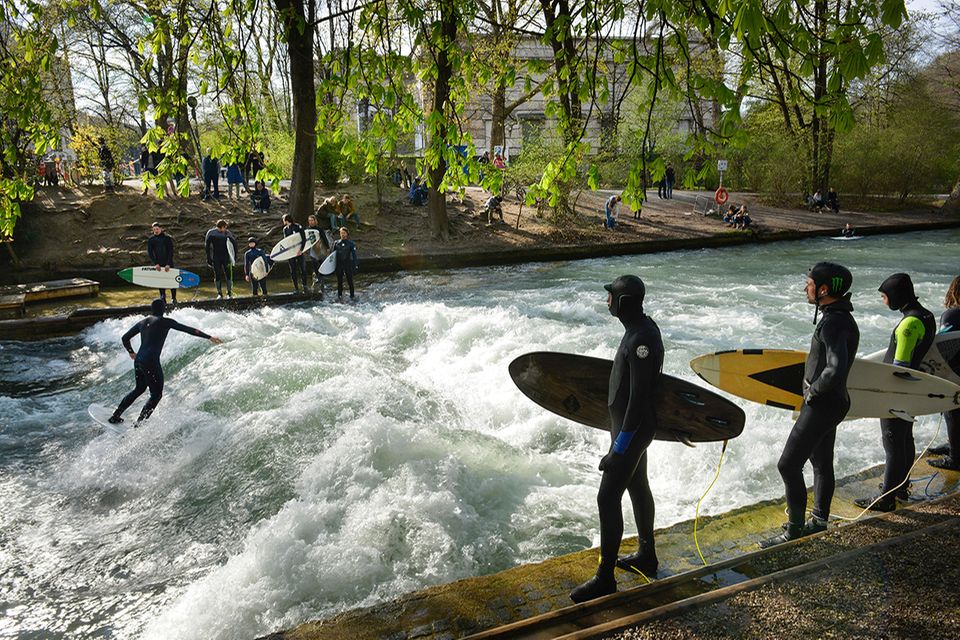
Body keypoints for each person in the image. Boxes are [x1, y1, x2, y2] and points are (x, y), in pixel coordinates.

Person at [569, 275, 662, 603]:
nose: (606, 301)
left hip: (631, 432)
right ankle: (647, 556)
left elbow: (637, 400)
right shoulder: (639, 330)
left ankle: (604, 577)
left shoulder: (642, 339)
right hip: (629, 429)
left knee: (607, 498)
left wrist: (618, 448)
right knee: (638, 487)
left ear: (623, 303)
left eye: (610, 297)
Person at [759, 263, 859, 547]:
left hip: (823, 404)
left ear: (824, 290)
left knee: (788, 465)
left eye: (810, 283)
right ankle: (819, 521)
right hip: (835, 402)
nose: (806, 287)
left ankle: (794, 530)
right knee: (821, 462)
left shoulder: (833, 322)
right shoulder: (839, 317)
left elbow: (835, 369)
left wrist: (812, 392)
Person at [855, 273, 937, 511]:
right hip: (912, 391)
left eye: (884, 296)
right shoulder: (927, 315)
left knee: (892, 443)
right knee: (904, 439)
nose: (883, 301)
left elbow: (900, 366)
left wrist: (882, 393)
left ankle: (886, 499)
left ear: (896, 296)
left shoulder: (909, 324)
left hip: (897, 391)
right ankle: (901, 487)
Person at [107, 298, 222, 426]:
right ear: (163, 309)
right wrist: (209, 337)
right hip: (150, 362)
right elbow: (188, 329)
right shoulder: (166, 322)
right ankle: (138, 426)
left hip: (139, 360)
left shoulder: (143, 322)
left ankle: (115, 415)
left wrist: (131, 352)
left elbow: (125, 338)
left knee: (139, 389)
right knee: (156, 395)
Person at [928, 276, 960, 470]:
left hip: (955, 371)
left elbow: (941, 346)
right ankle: (954, 445)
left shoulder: (952, 315)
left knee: (952, 411)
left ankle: (955, 458)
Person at [204, 219, 238, 299]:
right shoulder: (211, 233)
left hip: (226, 257)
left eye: (225, 228)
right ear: (219, 227)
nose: (224, 229)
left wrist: (234, 258)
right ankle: (219, 293)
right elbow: (207, 246)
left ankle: (229, 293)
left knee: (228, 274)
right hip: (216, 257)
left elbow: (234, 246)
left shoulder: (227, 233)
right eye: (223, 228)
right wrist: (208, 257)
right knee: (217, 274)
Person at [147, 222, 177, 304]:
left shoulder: (167, 238)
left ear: (161, 229)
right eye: (154, 230)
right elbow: (150, 253)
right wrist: (156, 264)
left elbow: (171, 251)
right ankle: (163, 298)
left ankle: (174, 298)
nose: (156, 231)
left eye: (157, 229)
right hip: (158, 264)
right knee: (160, 281)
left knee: (172, 281)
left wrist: (168, 264)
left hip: (168, 263)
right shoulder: (151, 240)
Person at [282, 214, 309, 293]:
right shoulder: (285, 229)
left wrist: (301, 250)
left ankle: (305, 286)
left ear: (286, 220)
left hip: (299, 252)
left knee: (303, 269)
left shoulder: (297, 226)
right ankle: (296, 288)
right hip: (291, 253)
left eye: (283, 220)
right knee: (293, 270)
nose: (283, 221)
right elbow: (286, 241)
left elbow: (303, 239)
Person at [333, 226, 358, 301]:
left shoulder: (351, 244)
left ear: (347, 234)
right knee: (339, 282)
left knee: (350, 280)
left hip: (347, 264)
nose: (342, 234)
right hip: (339, 265)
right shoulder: (336, 243)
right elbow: (332, 256)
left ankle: (352, 296)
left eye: (344, 233)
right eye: (341, 233)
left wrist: (355, 265)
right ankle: (339, 296)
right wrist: (332, 267)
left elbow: (354, 255)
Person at [305, 214, 330, 292]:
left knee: (320, 263)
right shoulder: (307, 229)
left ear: (315, 221)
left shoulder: (319, 229)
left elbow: (324, 238)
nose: (311, 222)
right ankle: (318, 276)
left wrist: (328, 248)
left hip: (320, 247)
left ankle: (321, 278)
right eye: (309, 221)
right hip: (312, 248)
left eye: (312, 220)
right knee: (314, 263)